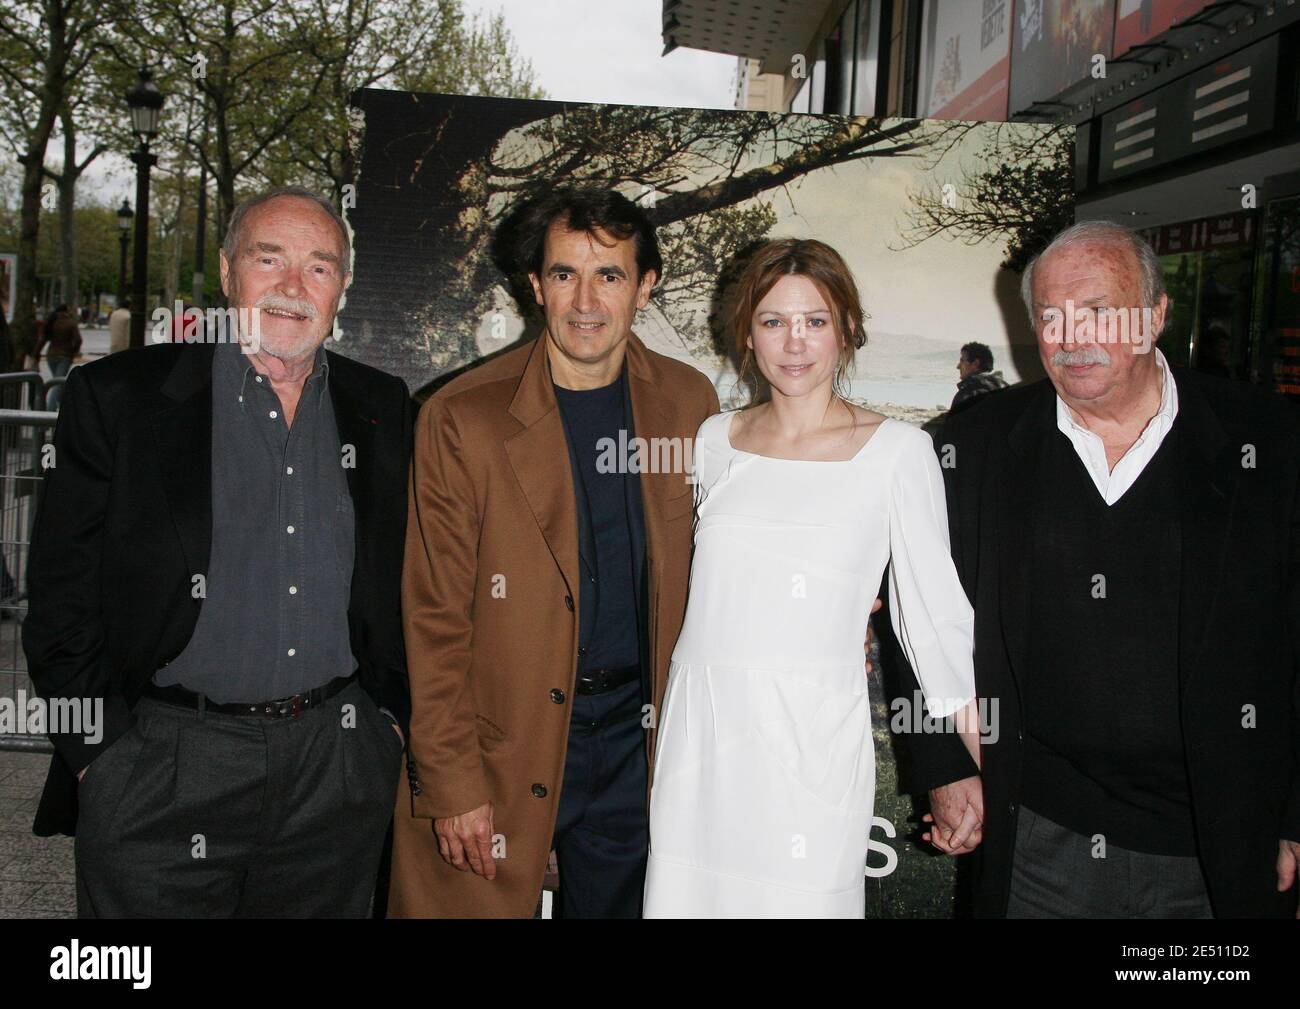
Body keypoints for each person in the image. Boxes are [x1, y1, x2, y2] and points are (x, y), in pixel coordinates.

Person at [24, 185, 413, 917]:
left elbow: (411, 583)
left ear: (342, 290)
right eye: (270, 259)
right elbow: (60, 595)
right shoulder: (119, 399)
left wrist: (389, 722)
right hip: (161, 762)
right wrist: (101, 757)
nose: (293, 286)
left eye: (320, 267)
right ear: (230, 272)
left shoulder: (383, 407)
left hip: (336, 765)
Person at [905, 220, 1300, 918]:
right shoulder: (978, 445)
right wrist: (947, 765)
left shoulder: (1266, 442)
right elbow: (917, 602)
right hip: (1039, 834)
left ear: (1155, 314)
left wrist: (1292, 813)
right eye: (1050, 316)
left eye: (1098, 310)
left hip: (1210, 847)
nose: (1072, 335)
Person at [389, 185, 719, 918]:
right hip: (503, 747)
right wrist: (450, 782)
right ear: (536, 286)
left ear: (646, 286)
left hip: (641, 751)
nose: (587, 300)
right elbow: (434, 617)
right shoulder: (459, 418)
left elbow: (725, 562)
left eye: (611, 274)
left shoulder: (690, 403)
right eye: (565, 274)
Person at [642, 238, 980, 918]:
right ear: (747, 334)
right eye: (772, 321)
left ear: (848, 329)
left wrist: (974, 763)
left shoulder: (899, 453)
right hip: (702, 742)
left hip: (812, 743)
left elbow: (935, 622)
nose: (794, 342)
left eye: (815, 320)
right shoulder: (712, 440)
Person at [36, 304, 81, 410]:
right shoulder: (71, 323)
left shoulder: (51, 321)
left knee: (57, 381)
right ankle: (50, 411)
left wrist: (35, 353)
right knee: (57, 384)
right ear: (66, 311)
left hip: (51, 355)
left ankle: (63, 407)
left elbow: (43, 339)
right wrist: (73, 351)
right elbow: (78, 340)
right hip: (65, 356)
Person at [950, 341, 1007, 414]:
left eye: (962, 361)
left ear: (975, 363)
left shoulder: (968, 394)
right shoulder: (1005, 389)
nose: (958, 366)